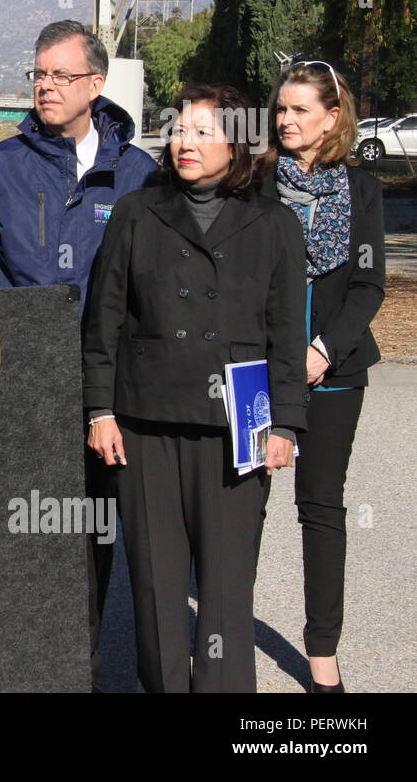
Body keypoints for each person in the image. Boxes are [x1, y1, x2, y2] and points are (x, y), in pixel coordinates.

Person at [0, 19, 157, 684]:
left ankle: (80, 667)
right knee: (15, 538)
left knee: (92, 538)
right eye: (38, 74)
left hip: (104, 396)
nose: (45, 87)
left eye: (61, 76)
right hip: (13, 393)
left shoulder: (140, 176)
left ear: (95, 85)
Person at [83, 82, 309, 692]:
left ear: (239, 143)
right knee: (156, 586)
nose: (184, 140)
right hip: (143, 422)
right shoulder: (137, 211)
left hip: (239, 426)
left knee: (226, 585)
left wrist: (286, 423)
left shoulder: (274, 222)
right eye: (179, 128)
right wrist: (99, 409)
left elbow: (287, 333)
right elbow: (103, 320)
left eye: (202, 131)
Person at [261, 61, 385, 693]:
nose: (285, 120)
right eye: (280, 109)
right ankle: (218, 639)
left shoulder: (361, 191)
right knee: (240, 508)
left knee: (321, 508)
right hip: (258, 372)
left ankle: (322, 653)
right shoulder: (256, 182)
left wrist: (324, 349)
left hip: (334, 373)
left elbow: (368, 285)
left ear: (332, 117)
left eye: (300, 110)